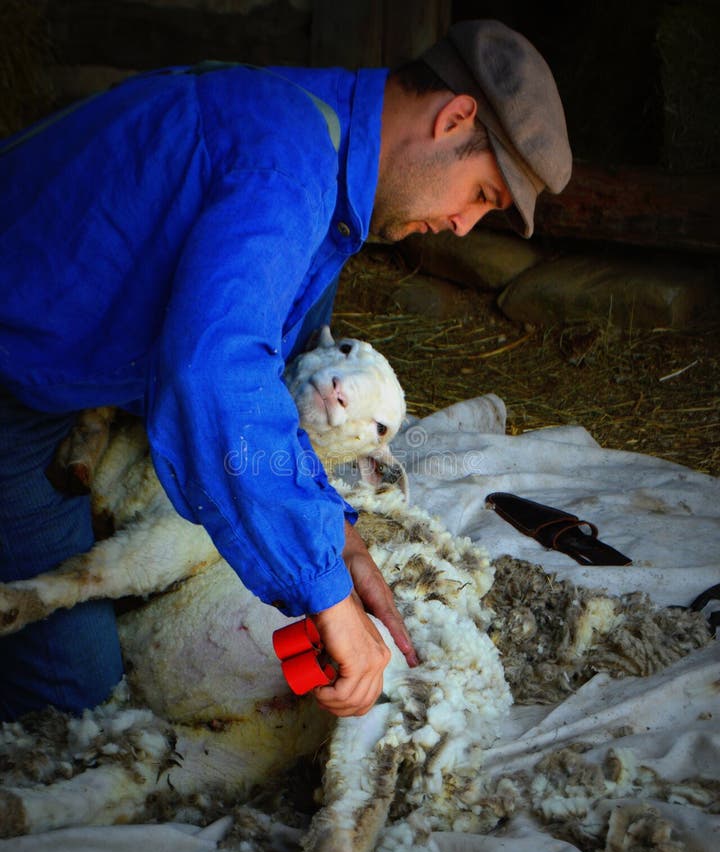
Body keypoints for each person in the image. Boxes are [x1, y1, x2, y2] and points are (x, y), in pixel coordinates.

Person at [0, 19, 571, 722]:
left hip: (61, 380)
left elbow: (265, 371)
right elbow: (217, 372)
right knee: (76, 690)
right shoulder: (287, 166)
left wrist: (338, 532)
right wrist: (321, 591)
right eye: (482, 195)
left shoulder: (316, 145)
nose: (462, 227)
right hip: (15, 391)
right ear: (455, 118)